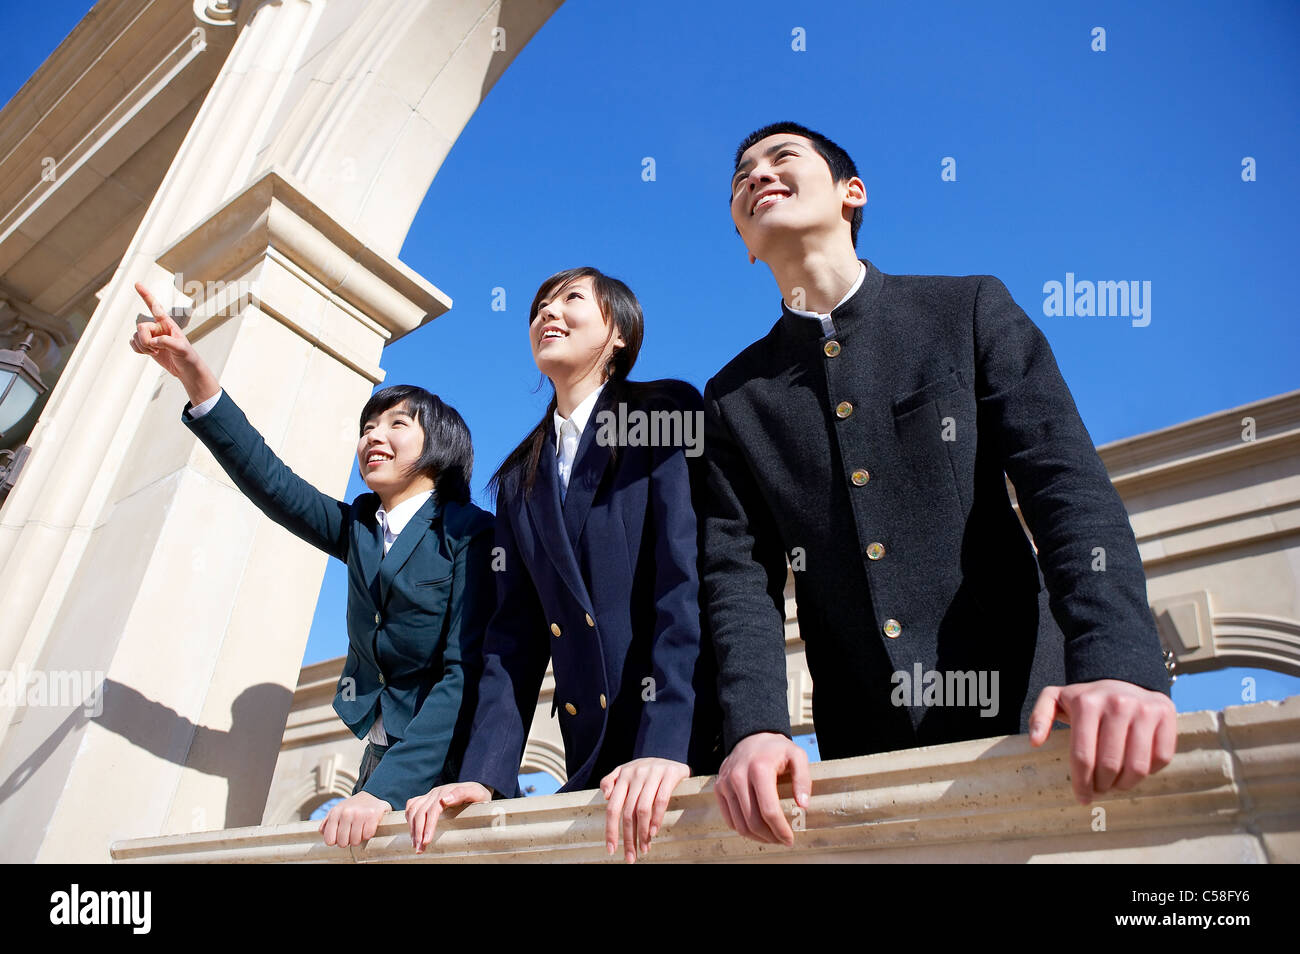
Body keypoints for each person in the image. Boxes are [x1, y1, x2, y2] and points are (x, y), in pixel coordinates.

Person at [703, 122, 1177, 846]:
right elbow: (737, 577)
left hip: (1027, 720)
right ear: (743, 239)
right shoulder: (734, 398)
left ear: (851, 193)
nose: (756, 175)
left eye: (781, 158)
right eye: (741, 176)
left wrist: (1116, 663)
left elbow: (1064, 486)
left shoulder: (967, 309)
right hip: (864, 757)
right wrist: (756, 728)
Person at [127, 282, 495, 848]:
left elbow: (460, 672)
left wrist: (384, 792)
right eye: (368, 426)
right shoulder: (359, 530)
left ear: (441, 445)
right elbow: (273, 485)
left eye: (398, 423)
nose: (374, 435)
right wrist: (194, 375)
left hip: (446, 764)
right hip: (378, 758)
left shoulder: (471, 532)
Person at [404, 267, 721, 863]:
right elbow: (512, 642)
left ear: (620, 332)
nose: (548, 312)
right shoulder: (518, 475)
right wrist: (486, 774)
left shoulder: (666, 410)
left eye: (571, 299)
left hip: (680, 746)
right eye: (539, 307)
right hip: (591, 763)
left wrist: (667, 742)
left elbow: (684, 586)